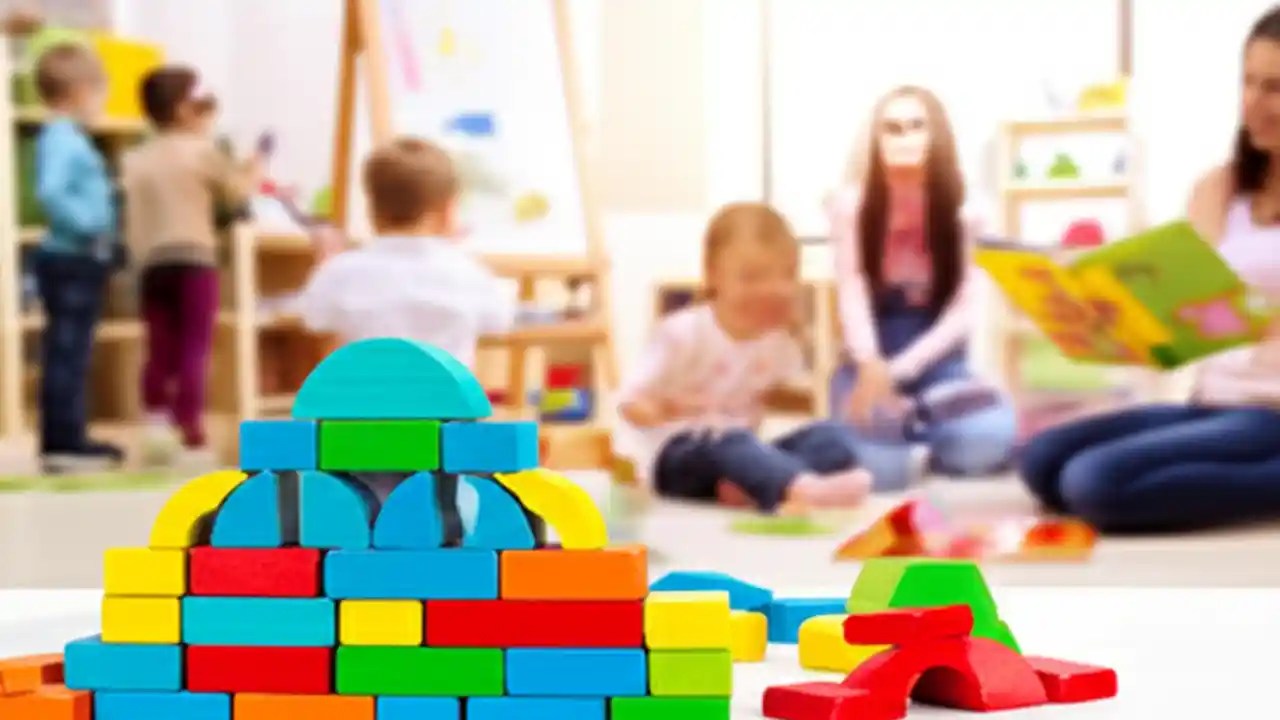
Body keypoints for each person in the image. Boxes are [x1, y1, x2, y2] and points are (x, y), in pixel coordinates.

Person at [1019, 8, 1280, 533]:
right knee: (1041, 460)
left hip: (1270, 413)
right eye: (1248, 82)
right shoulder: (1220, 188)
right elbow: (1184, 304)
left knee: (1094, 483)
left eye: (1274, 87)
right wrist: (1100, 297)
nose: (1253, 103)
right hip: (1210, 401)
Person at [618, 203, 871, 513]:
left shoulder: (777, 341)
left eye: (784, 276)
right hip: (678, 459)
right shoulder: (682, 333)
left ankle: (757, 484)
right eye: (751, 278)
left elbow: (776, 393)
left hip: (742, 454)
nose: (768, 290)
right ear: (713, 276)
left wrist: (833, 369)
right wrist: (666, 409)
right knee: (728, 440)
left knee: (832, 435)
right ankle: (796, 487)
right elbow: (629, 402)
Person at [828, 85, 1017, 491]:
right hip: (870, 357)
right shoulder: (851, 204)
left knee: (987, 439)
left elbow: (966, 307)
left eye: (916, 126)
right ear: (876, 138)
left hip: (938, 356)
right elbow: (851, 285)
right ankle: (912, 422)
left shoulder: (970, 208)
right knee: (879, 473)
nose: (904, 138)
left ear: (937, 135)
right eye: (891, 129)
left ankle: (918, 415)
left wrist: (898, 372)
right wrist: (870, 363)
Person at [123, 65, 263, 467]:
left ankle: (155, 421)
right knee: (194, 346)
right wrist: (252, 170)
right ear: (186, 111)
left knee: (160, 345)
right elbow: (235, 193)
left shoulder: (137, 157)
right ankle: (190, 430)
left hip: (150, 263)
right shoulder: (203, 152)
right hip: (194, 259)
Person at [31, 43, 123, 473]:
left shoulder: (64, 138)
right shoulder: (63, 138)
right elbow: (51, 191)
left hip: (79, 258)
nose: (101, 102)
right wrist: (90, 225)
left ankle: (68, 436)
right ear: (80, 91)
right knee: (68, 350)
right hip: (71, 259)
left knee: (73, 349)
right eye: (100, 92)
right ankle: (64, 441)